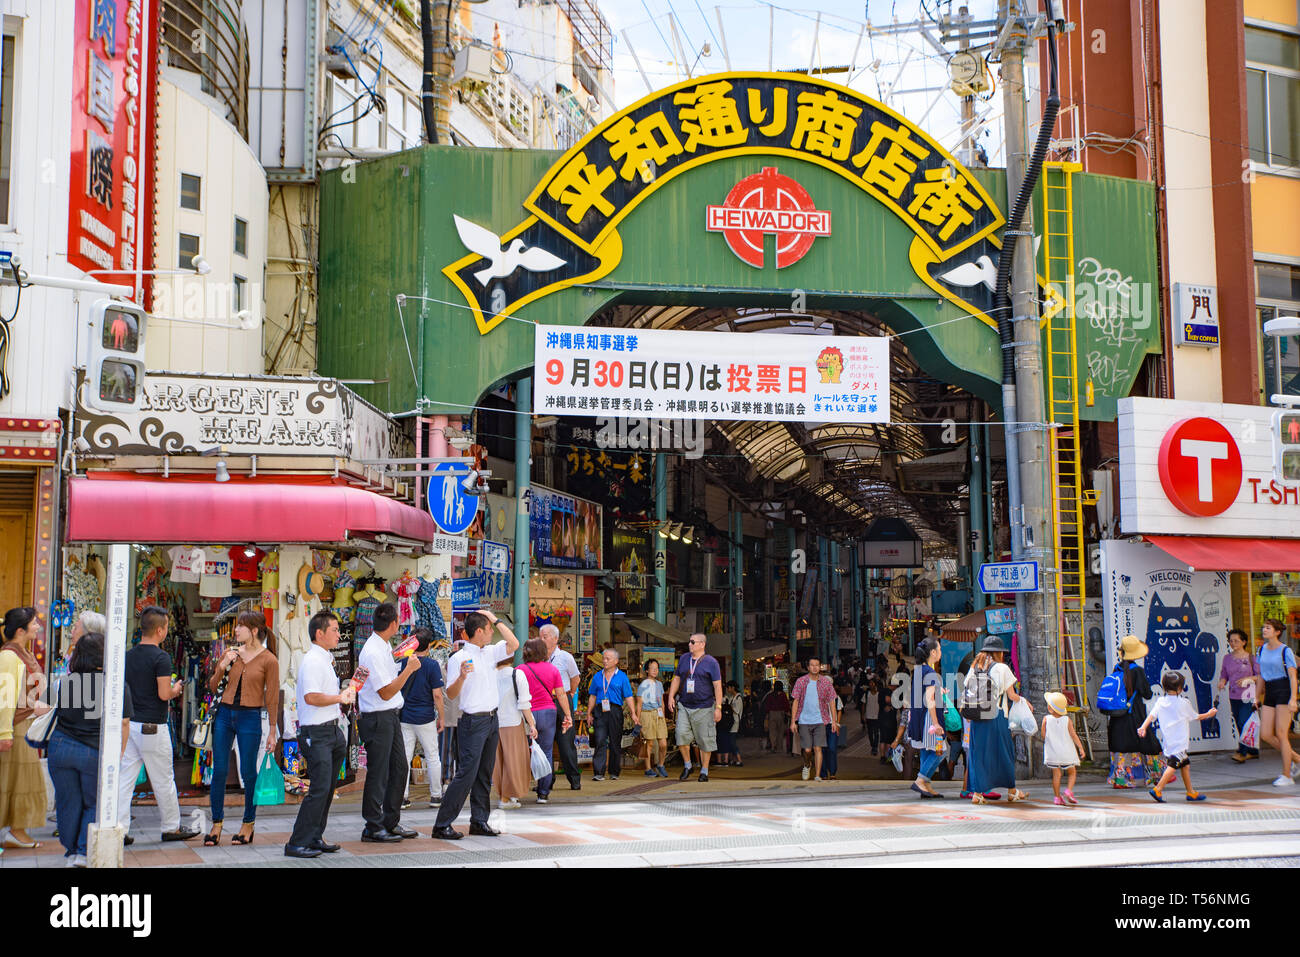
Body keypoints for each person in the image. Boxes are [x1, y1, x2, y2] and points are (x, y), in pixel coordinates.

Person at [432, 611, 520, 840]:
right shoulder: (457, 658)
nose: (492, 632)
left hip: (492, 718)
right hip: (472, 720)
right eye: (489, 628)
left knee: (484, 773)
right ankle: (442, 824)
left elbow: (514, 643)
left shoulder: (490, 652)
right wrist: (461, 677)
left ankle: (479, 821)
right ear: (479, 631)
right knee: (466, 774)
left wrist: (495, 618)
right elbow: (450, 694)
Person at [46, 633, 132, 866]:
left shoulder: (64, 682)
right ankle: (83, 852)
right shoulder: (114, 684)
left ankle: (71, 850)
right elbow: (124, 723)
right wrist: (120, 753)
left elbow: (43, 709)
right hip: (93, 751)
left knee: (67, 802)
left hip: (60, 747)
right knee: (93, 802)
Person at [118, 605, 198, 844]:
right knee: (163, 779)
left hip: (130, 724)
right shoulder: (161, 657)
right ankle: (171, 827)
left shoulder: (128, 655)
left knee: (125, 780)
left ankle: (119, 829)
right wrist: (176, 689)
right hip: (153, 726)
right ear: (161, 631)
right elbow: (164, 694)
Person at [205, 611, 279, 846]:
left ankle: (248, 823)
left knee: (248, 772)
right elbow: (213, 686)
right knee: (219, 771)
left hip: (250, 717)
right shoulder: (230, 653)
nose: (236, 631)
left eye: (240, 627)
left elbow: (273, 696)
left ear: (254, 630)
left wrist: (272, 730)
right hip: (224, 715)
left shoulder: (269, 660)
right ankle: (216, 824)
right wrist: (222, 665)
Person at [285, 611, 355, 858]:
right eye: (334, 630)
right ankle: (297, 842)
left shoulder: (325, 658)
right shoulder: (313, 660)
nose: (339, 634)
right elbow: (311, 697)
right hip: (316, 733)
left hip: (331, 729)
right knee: (319, 789)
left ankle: (314, 836)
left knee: (327, 789)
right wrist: (340, 697)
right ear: (320, 633)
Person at [355, 601, 422, 843]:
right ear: (393, 624)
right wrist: (409, 669)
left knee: (399, 768)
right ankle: (373, 826)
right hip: (378, 716)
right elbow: (384, 691)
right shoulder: (372, 650)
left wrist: (401, 661)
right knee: (379, 772)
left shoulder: (381, 645)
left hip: (389, 715)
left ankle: (389, 822)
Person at [0, 607, 48, 849]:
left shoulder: (23, 653)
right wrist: (4, 734)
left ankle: (16, 831)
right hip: (15, 727)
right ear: (21, 630)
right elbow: (5, 698)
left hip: (23, 725)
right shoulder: (10, 656)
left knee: (19, 782)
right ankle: (16, 831)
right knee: (15, 781)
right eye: (34, 622)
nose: (38, 625)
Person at [964, 636, 1030, 804]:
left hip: (977, 717)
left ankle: (977, 794)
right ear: (999, 652)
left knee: (979, 754)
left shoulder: (975, 667)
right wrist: (1024, 702)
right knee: (1005, 753)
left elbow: (967, 689)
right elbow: (1012, 695)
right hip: (997, 716)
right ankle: (1012, 791)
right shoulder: (1002, 668)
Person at [1139, 671, 1216, 802]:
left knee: (1185, 765)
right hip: (1180, 742)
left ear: (1163, 687)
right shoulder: (1184, 703)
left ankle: (1190, 792)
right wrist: (1209, 714)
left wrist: (1143, 727)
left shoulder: (1161, 701)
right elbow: (1196, 717)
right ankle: (1158, 789)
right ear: (1181, 688)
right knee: (1173, 765)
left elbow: (1151, 716)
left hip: (1169, 740)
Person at [1106, 634, 1164, 789]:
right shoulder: (1137, 671)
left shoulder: (1117, 669)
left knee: (1122, 746)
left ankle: (1120, 779)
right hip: (1135, 714)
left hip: (1118, 715)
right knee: (1147, 743)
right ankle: (1155, 776)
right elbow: (1147, 693)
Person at [519, 638, 571, 802]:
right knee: (547, 751)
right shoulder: (552, 669)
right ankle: (543, 792)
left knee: (522, 752)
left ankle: (519, 789)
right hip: (548, 712)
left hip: (527, 714)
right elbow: (561, 694)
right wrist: (568, 715)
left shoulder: (520, 669)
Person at [399, 627, 445, 809]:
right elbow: (438, 695)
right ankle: (435, 796)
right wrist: (441, 716)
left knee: (404, 757)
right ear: (429, 645)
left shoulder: (403, 662)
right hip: (425, 717)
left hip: (405, 716)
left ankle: (401, 797)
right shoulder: (432, 665)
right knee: (432, 756)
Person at [667, 634, 721, 782]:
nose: (689, 644)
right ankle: (688, 765)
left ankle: (704, 771)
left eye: (692, 642)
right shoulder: (684, 658)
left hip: (704, 707)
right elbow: (677, 678)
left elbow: (717, 685)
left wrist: (718, 707)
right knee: (680, 735)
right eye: (689, 642)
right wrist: (671, 696)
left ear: (702, 644)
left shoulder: (711, 662)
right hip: (684, 705)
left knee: (705, 740)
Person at [1255, 618, 1299, 787]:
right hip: (1270, 691)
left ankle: (1287, 775)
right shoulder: (1261, 650)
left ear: (1277, 632)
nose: (1264, 630)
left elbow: (1293, 676)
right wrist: (1256, 697)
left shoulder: (1285, 651)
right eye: (1263, 627)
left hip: (1284, 689)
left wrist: (1293, 699)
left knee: (1281, 734)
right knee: (1265, 734)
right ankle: (1295, 758)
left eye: (1268, 628)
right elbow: (1260, 676)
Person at [541, 624, 582, 790]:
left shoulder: (566, 657)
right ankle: (546, 782)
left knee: (566, 744)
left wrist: (570, 694)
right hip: (545, 701)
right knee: (546, 744)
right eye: (540, 636)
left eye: (545, 636)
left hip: (562, 701)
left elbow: (576, 678)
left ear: (555, 639)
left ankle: (574, 779)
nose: (542, 639)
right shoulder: (539, 657)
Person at [587, 648, 638, 781]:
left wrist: (633, 713)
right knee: (600, 740)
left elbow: (628, 696)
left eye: (608, 658)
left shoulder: (622, 677)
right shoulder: (597, 676)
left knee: (615, 742)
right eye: (604, 658)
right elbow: (592, 696)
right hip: (599, 710)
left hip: (615, 710)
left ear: (616, 661)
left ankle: (614, 771)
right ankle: (599, 772)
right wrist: (589, 713)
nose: (605, 661)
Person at [493, 656, 536, 808]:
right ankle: (508, 797)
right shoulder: (517, 674)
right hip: (513, 722)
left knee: (499, 762)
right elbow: (524, 703)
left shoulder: (490, 674)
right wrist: (532, 724)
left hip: (493, 723)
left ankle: (504, 796)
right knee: (514, 761)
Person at [906, 637, 946, 798]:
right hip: (929, 719)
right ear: (933, 652)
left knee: (925, 751)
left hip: (918, 717)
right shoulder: (930, 672)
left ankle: (926, 786)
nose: (941, 653)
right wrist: (936, 724)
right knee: (941, 751)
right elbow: (929, 700)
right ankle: (921, 780)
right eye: (940, 649)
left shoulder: (918, 670)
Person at [1218, 628, 1261, 764]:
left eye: (1236, 640)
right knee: (1239, 723)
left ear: (1243, 642)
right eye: (1231, 641)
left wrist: (1248, 678)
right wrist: (1222, 681)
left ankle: (1242, 752)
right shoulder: (1227, 658)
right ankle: (1253, 751)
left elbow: (1259, 676)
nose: (1233, 643)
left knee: (1244, 722)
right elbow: (1224, 674)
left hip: (1248, 696)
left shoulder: (1251, 658)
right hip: (1233, 696)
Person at [790, 657, 837, 782]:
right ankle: (807, 764)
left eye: (817, 665)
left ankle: (817, 775)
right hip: (804, 721)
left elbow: (832, 701)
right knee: (807, 749)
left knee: (818, 748)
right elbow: (795, 701)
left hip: (820, 720)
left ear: (820, 667)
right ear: (808, 667)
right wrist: (793, 721)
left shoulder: (825, 682)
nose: (815, 667)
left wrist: (834, 721)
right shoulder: (801, 681)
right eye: (812, 665)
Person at [1041, 691, 1083, 805]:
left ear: (1050, 708)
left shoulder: (1046, 719)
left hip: (1052, 753)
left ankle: (1057, 797)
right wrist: (1081, 748)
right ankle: (1069, 791)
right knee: (1072, 772)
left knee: (1056, 775)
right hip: (1067, 752)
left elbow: (1043, 735)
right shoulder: (1067, 720)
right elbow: (1073, 735)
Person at [638, 659, 668, 777]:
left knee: (663, 744)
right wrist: (637, 719)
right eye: (652, 668)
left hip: (659, 714)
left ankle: (660, 764)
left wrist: (664, 717)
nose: (655, 670)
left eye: (657, 668)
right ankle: (648, 768)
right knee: (648, 743)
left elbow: (662, 703)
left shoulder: (659, 684)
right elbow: (639, 703)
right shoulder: (642, 685)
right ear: (647, 670)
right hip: (647, 714)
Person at [716, 680, 744, 768]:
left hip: (735, 722)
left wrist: (729, 706)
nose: (728, 689)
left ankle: (739, 760)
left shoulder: (738, 698)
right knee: (730, 740)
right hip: (730, 722)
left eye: (728, 687)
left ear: (732, 688)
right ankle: (733, 759)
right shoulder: (732, 697)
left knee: (732, 742)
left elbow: (736, 710)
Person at [763, 681, 789, 753]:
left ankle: (773, 746)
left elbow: (767, 706)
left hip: (772, 714)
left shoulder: (771, 695)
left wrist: (767, 715)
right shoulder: (783, 695)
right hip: (781, 714)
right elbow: (786, 705)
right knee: (780, 731)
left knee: (772, 731)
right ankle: (779, 746)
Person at [863, 676, 882, 755]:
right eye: (870, 683)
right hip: (869, 716)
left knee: (876, 733)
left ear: (875, 684)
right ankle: (873, 745)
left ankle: (874, 748)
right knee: (870, 733)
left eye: (872, 683)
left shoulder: (879, 694)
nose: (871, 685)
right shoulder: (867, 694)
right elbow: (863, 704)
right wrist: (862, 715)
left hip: (877, 717)